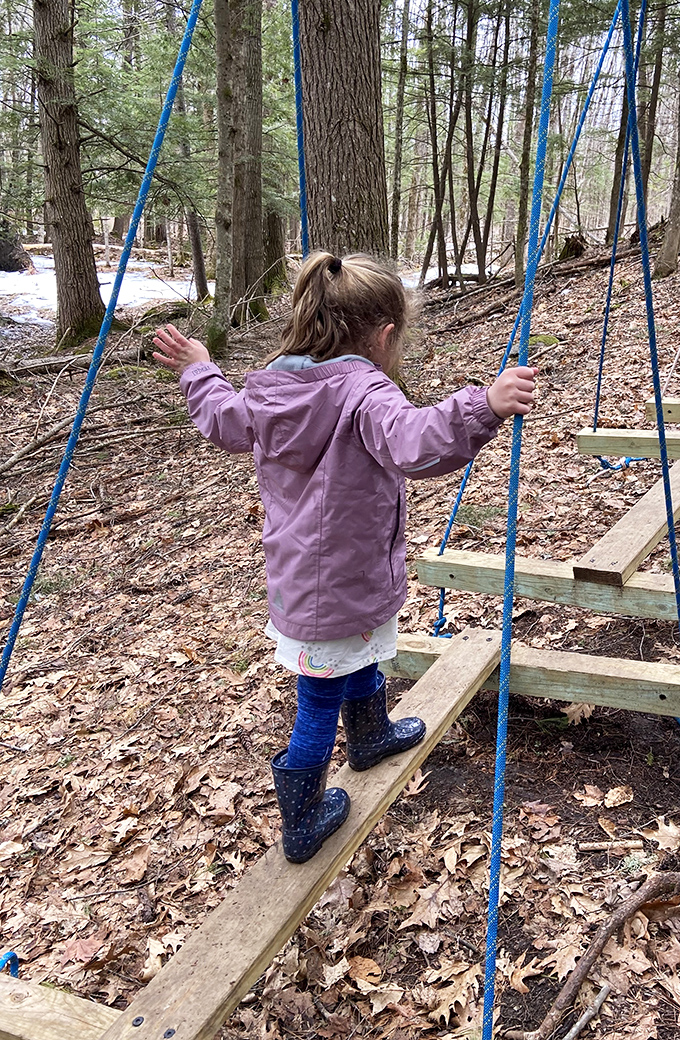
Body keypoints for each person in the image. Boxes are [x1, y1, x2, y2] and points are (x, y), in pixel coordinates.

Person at [152, 251, 537, 864]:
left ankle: (370, 735)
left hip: (310, 578)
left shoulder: (271, 386)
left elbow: (223, 420)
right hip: (344, 580)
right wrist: (484, 405)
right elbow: (414, 441)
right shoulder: (364, 392)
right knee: (317, 699)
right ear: (384, 336)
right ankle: (301, 818)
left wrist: (201, 368)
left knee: (356, 655)